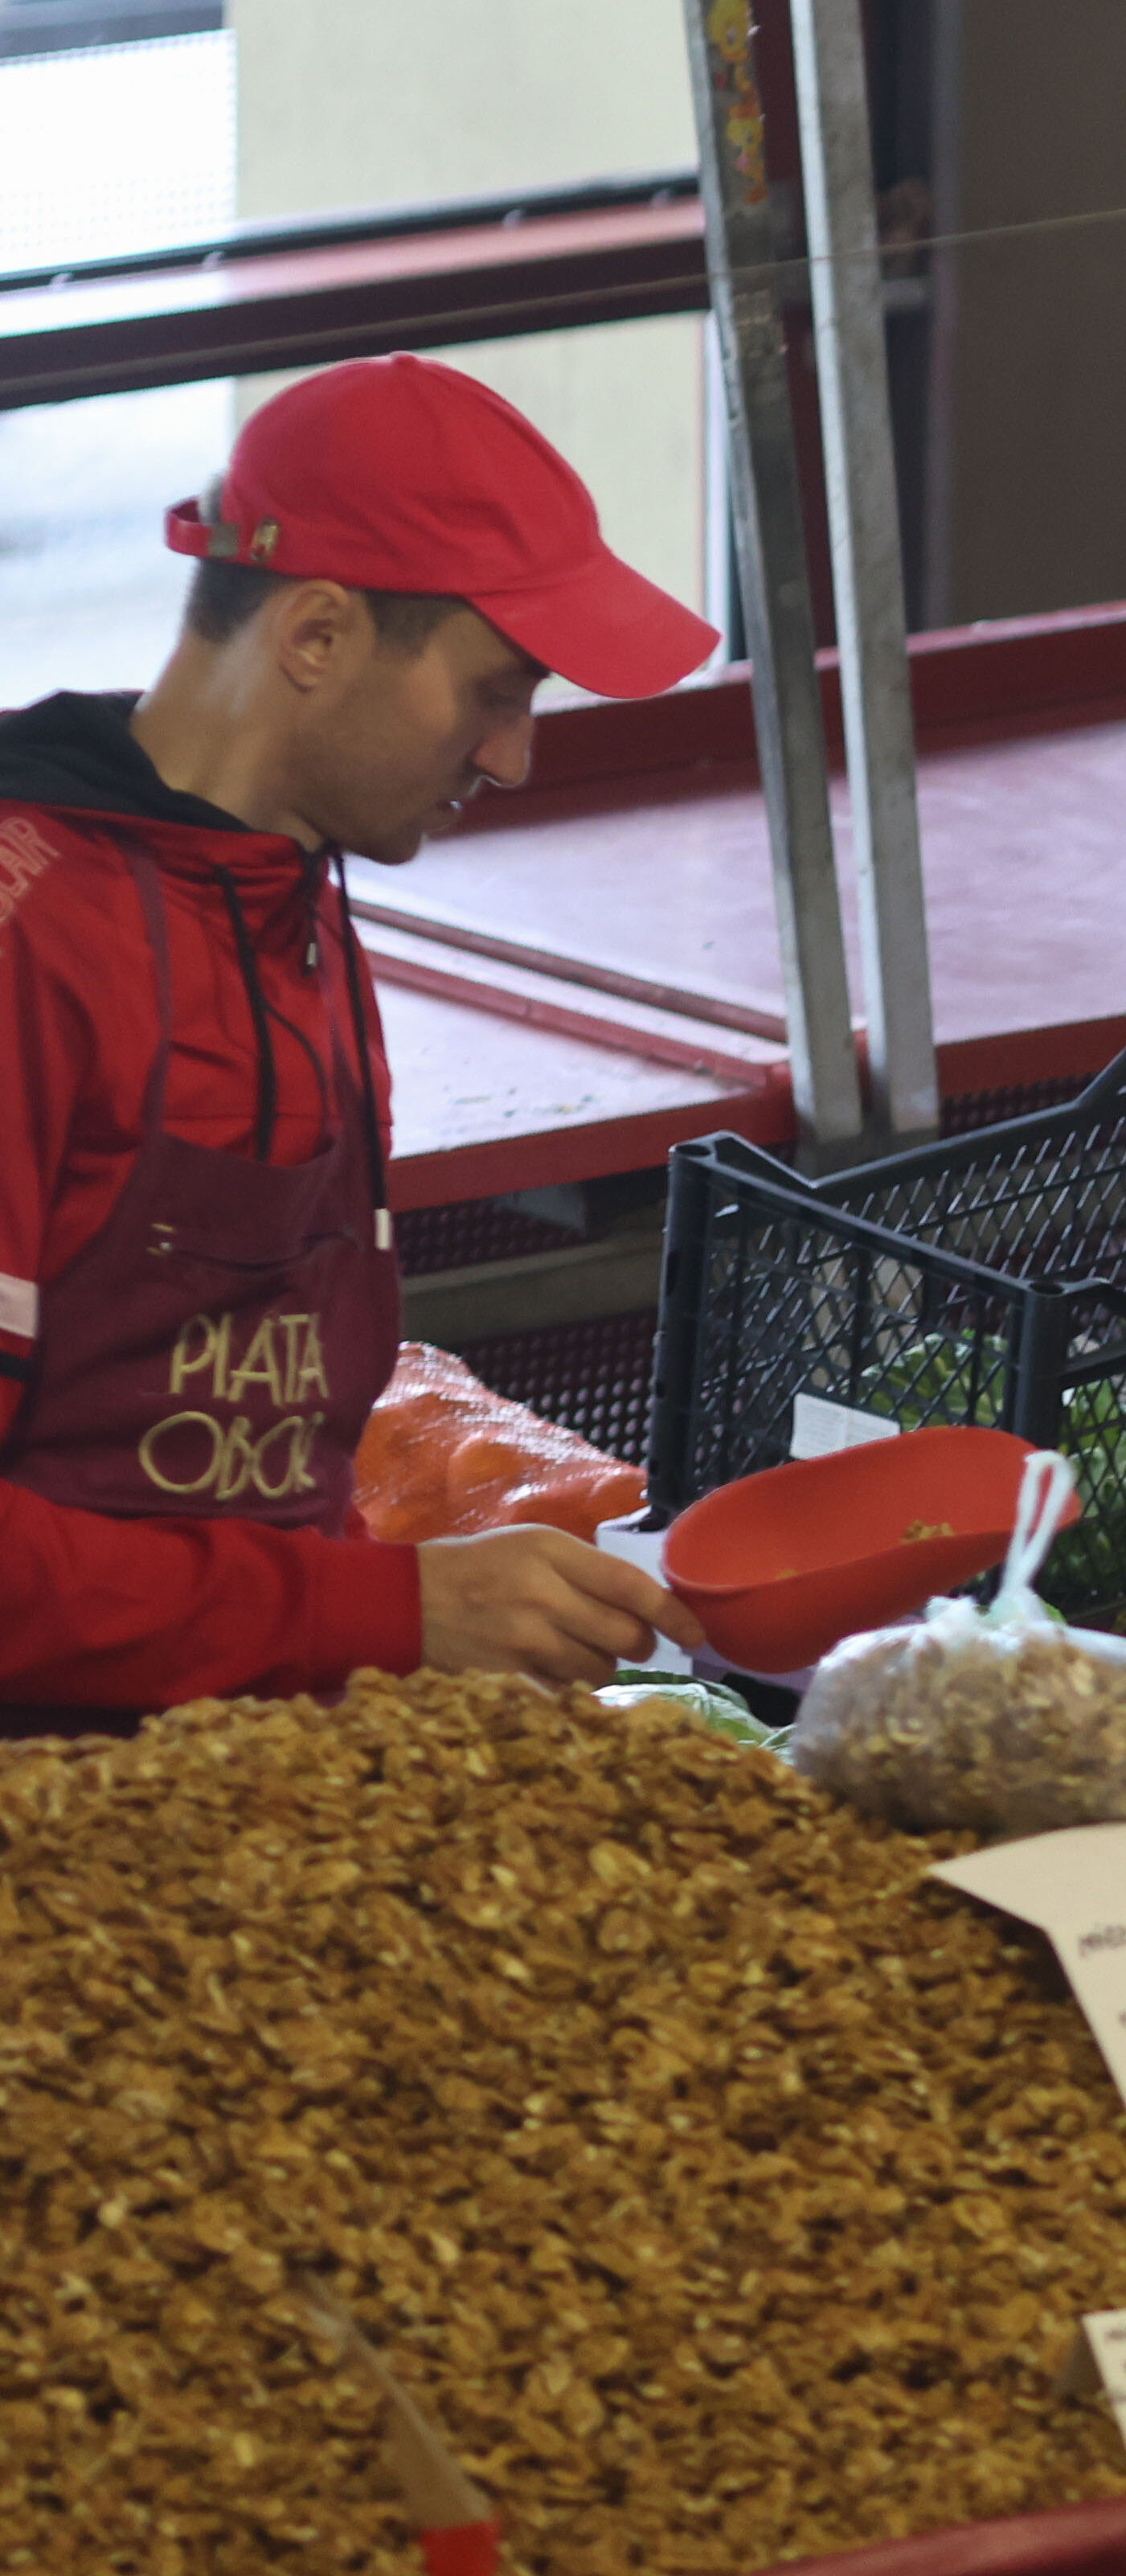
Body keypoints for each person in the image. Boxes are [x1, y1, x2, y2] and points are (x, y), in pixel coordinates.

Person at [1, 353, 714, 1723]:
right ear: (318, 635)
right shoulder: (33, 939)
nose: (511, 758)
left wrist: (408, 1623)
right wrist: (389, 1612)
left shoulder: (295, 902)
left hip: (242, 1774)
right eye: (496, 692)